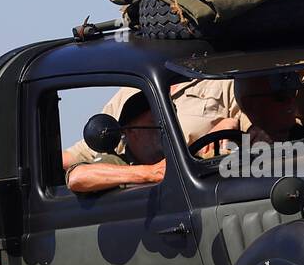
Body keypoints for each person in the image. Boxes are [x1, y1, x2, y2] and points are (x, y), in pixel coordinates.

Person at [62, 78, 248, 169]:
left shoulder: (217, 79)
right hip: (148, 188)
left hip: (208, 176)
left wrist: (230, 123)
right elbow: (94, 142)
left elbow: (258, 128)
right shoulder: (131, 89)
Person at [66, 91, 167, 194]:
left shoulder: (177, 156)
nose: (162, 130)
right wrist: (150, 173)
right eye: (153, 122)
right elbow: (77, 178)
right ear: (131, 131)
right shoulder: (117, 163)